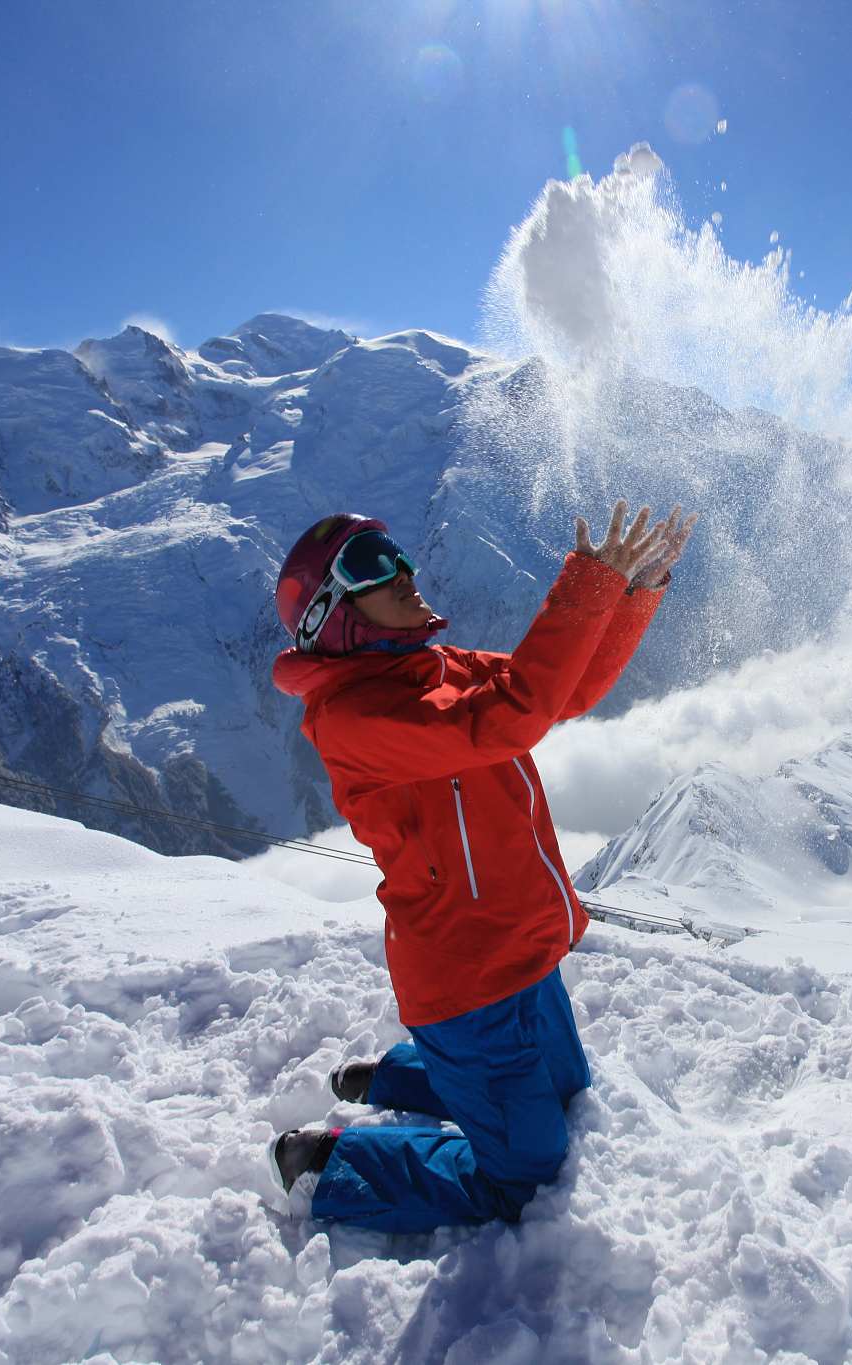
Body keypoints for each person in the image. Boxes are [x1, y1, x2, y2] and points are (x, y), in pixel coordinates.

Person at [265, 500, 695, 1232]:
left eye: (395, 550)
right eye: (372, 565)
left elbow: (564, 695)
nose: (402, 569)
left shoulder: (435, 666)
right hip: (465, 981)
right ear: (333, 615)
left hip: (523, 948)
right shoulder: (354, 718)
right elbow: (513, 715)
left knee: (566, 1090)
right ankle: (328, 1161)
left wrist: (634, 594)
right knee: (524, 1178)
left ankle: (398, 1076)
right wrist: (590, 584)